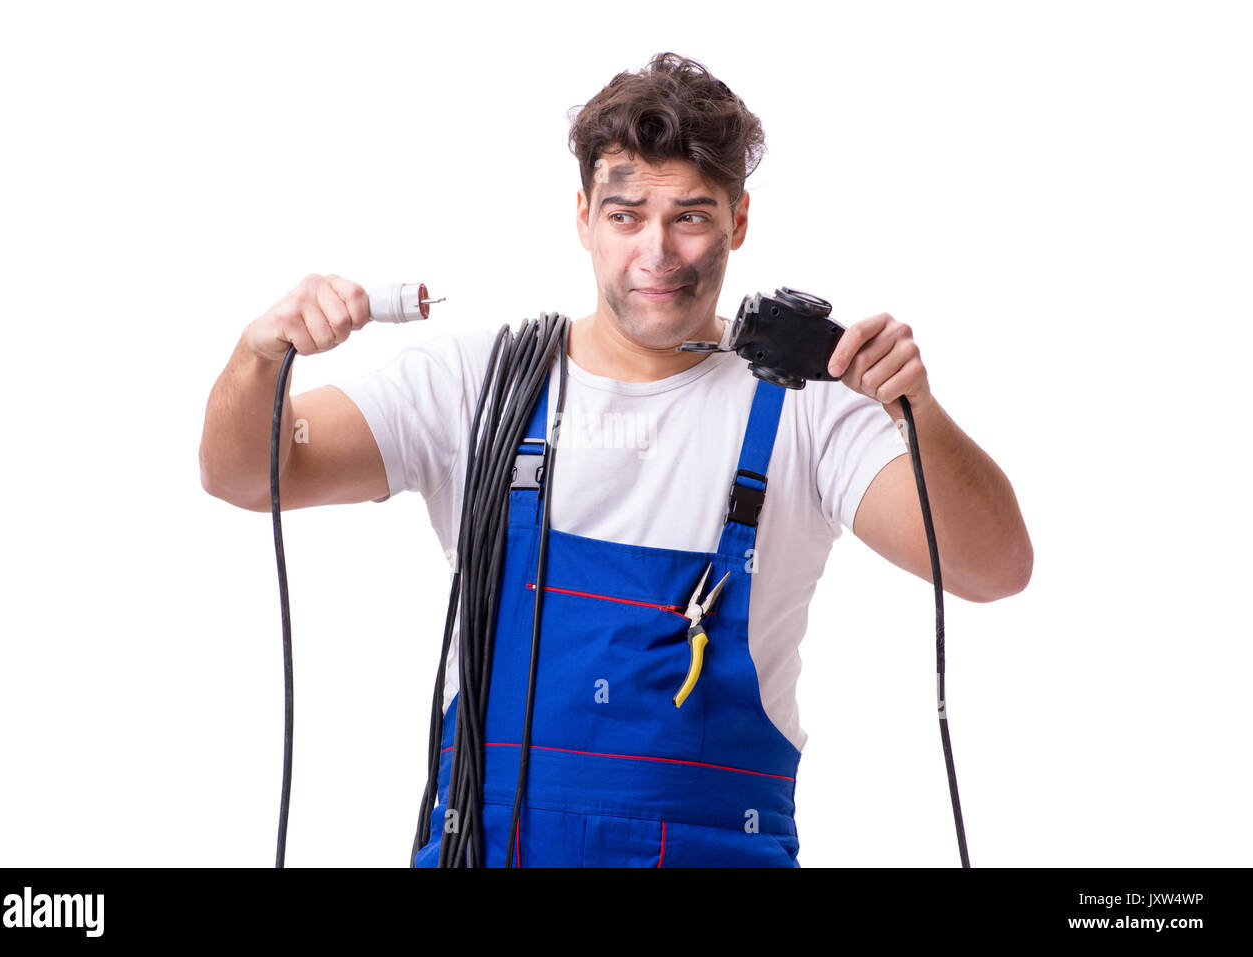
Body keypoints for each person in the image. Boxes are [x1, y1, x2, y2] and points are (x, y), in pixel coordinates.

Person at [199, 52, 1033, 867]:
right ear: (584, 218)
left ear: (739, 221)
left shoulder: (810, 410)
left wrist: (918, 411)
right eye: (626, 216)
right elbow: (242, 473)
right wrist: (259, 355)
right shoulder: (476, 385)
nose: (656, 252)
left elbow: (995, 566)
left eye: (691, 217)